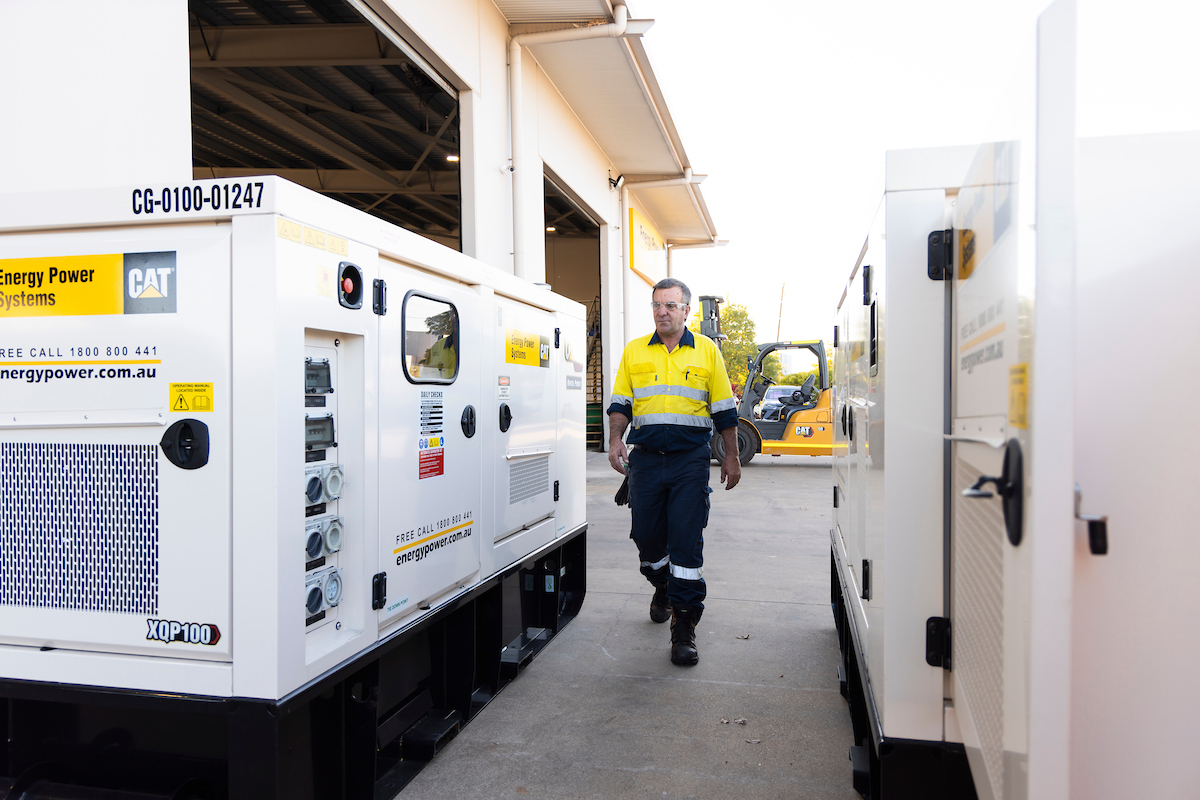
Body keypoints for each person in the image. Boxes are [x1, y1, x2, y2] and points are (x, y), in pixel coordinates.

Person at [607, 278, 741, 666]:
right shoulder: (635, 351)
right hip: (646, 461)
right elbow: (621, 404)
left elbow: (724, 411)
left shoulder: (707, 351)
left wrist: (732, 457)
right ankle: (663, 585)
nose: (661, 312)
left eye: (670, 305)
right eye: (656, 305)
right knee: (647, 539)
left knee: (685, 542)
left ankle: (684, 624)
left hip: (689, 461)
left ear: (686, 311)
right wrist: (615, 440)